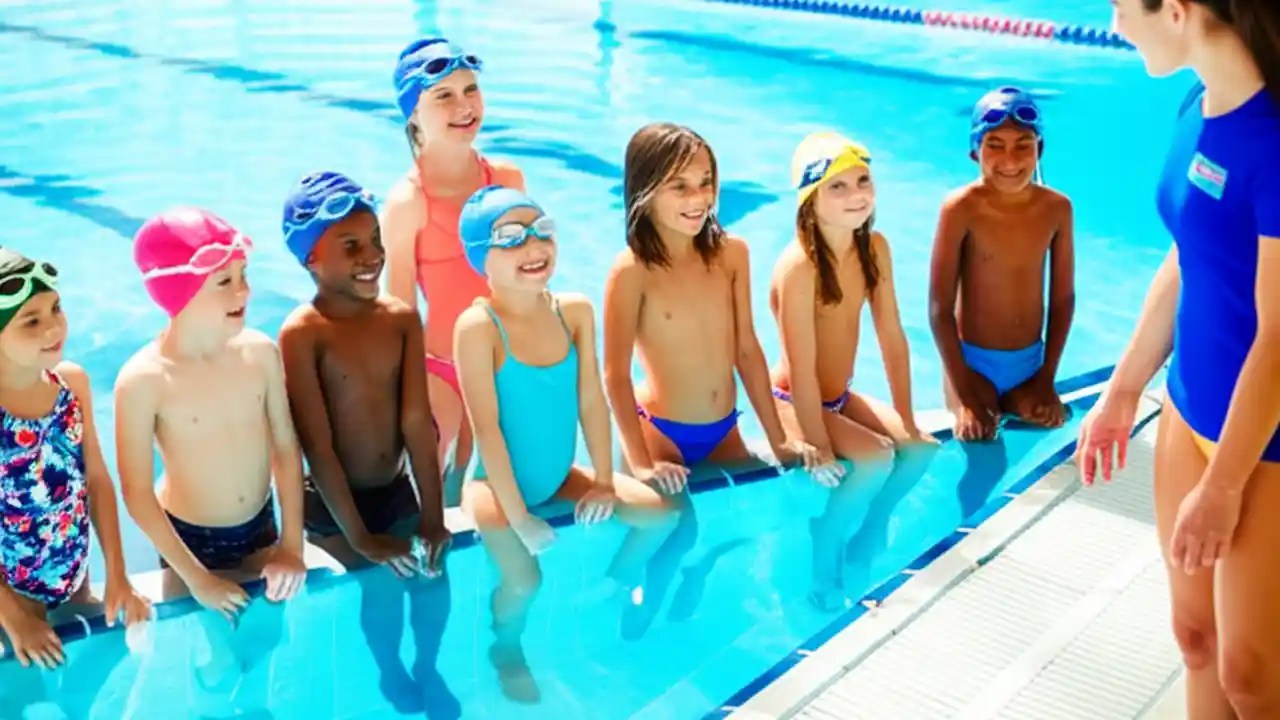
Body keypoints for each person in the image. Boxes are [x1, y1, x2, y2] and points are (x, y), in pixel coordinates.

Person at [1078, 1, 1280, 716]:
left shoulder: (1273, 143)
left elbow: (1278, 338)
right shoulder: (1199, 101)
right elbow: (1190, 253)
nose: (1114, 24)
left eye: (1121, 7)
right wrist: (1124, 386)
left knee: (1252, 680)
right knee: (1195, 639)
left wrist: (1225, 488)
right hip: (1188, 409)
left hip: (1263, 446)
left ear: (1175, 10)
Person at [454, 186, 678, 703]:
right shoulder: (478, 326)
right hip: (494, 489)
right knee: (524, 580)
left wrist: (601, 481)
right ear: (479, 257)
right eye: (510, 238)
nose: (533, 248)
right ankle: (505, 647)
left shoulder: (572, 311)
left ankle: (612, 584)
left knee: (657, 516)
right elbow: (486, 430)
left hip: (560, 477)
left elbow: (592, 402)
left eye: (542, 231)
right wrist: (520, 517)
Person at [277, 172, 456, 714]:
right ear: (310, 259)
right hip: (332, 506)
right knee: (378, 585)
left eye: (375, 239)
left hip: (394, 489)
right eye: (350, 245)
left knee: (433, 578)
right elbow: (319, 448)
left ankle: (428, 663)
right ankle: (389, 668)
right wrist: (359, 538)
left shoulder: (400, 319)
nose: (371, 255)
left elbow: (416, 422)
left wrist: (432, 513)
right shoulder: (303, 333)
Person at [115, 208, 307, 708]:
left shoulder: (259, 353)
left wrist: (291, 546)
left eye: (244, 276)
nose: (243, 292)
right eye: (224, 281)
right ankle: (211, 694)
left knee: (268, 639)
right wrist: (197, 579)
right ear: (178, 292)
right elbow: (136, 493)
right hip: (191, 540)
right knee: (220, 654)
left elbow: (286, 449)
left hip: (260, 527)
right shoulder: (144, 380)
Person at [604, 121, 819, 493]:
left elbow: (747, 350)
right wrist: (640, 463)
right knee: (671, 532)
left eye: (705, 182)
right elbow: (615, 376)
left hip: (723, 431)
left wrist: (778, 438)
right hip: (659, 432)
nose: (699, 198)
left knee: (763, 510)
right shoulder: (632, 270)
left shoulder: (732, 255)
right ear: (645, 191)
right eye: (680, 187)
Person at [770, 132, 937, 609]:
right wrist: (819, 447)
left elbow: (893, 338)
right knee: (874, 458)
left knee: (921, 450)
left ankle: (870, 527)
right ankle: (825, 546)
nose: (856, 194)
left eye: (862, 180)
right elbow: (800, 368)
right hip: (791, 401)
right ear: (809, 200)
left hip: (837, 397)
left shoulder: (873, 248)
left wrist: (906, 417)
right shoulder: (799, 266)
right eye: (837, 187)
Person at [382, 37, 526, 493]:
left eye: (471, 90)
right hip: (441, 366)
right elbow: (399, 308)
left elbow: (531, 276)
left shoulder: (506, 179)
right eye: (444, 96)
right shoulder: (409, 201)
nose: (464, 106)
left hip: (505, 356)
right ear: (413, 114)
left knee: (504, 482)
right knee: (438, 488)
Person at [0, 250, 150, 670]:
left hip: (73, 577)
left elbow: (97, 481)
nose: (53, 326)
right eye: (31, 320)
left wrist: (118, 574)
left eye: (56, 308)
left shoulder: (71, 383)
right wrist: (12, 617)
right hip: (11, 594)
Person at [929, 86, 1076, 442]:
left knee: (1049, 423)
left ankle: (1022, 393)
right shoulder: (960, 209)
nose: (1010, 160)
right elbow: (939, 308)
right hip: (970, 365)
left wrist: (1045, 379)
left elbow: (1062, 301)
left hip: (1030, 365)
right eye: (995, 145)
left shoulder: (1057, 209)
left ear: (1039, 150)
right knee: (977, 432)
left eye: (1023, 145)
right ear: (974, 151)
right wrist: (964, 394)